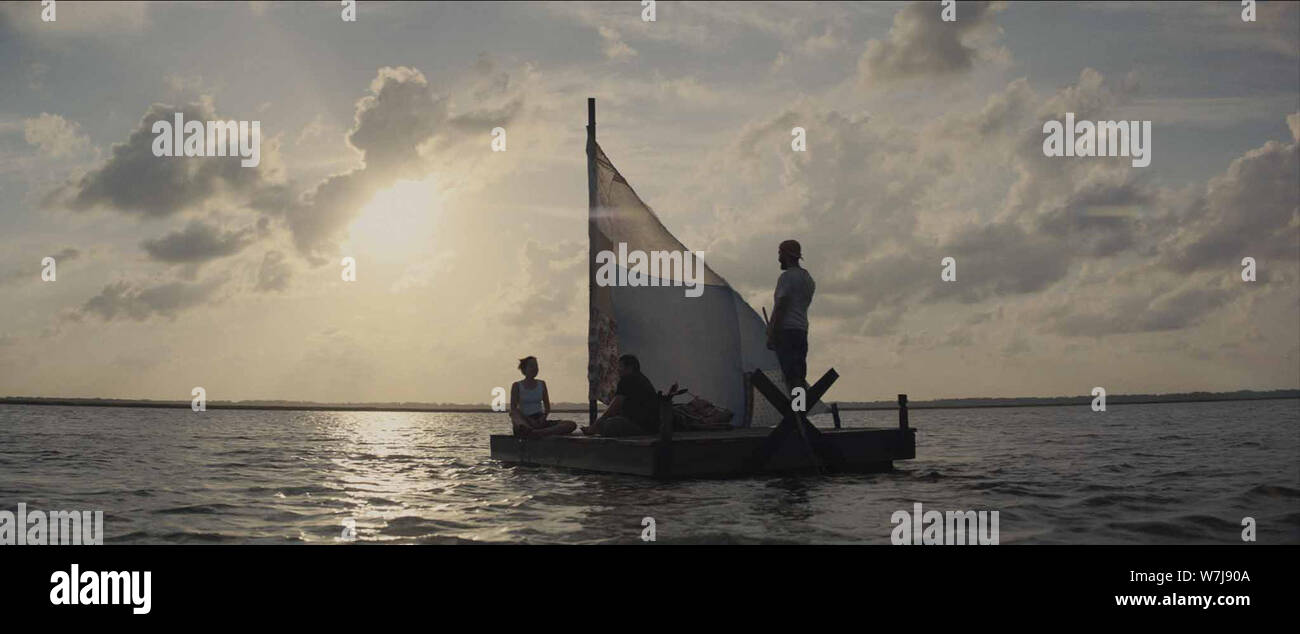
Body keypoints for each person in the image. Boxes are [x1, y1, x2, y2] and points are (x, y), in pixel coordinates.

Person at [766, 239, 815, 389]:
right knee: (798, 374)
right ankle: (799, 407)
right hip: (801, 331)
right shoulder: (808, 279)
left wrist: (771, 331)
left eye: (780, 253)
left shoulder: (787, 277)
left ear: (786, 255)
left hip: (786, 332)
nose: (778, 258)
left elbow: (781, 306)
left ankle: (796, 409)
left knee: (789, 375)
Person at [582, 354, 664, 437]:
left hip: (641, 427)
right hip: (652, 427)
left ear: (629, 367)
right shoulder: (642, 379)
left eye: (620, 366)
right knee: (612, 422)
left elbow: (614, 406)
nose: (618, 370)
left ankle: (595, 429)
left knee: (609, 425)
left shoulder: (627, 379)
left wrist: (597, 424)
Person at [509, 356, 576, 437]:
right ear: (524, 369)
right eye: (532, 366)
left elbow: (547, 407)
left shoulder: (542, 384)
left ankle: (539, 432)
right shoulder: (517, 385)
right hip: (525, 421)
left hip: (539, 420)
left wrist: (543, 418)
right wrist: (529, 420)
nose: (535, 368)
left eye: (536, 366)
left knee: (571, 424)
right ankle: (529, 430)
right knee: (514, 414)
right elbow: (514, 409)